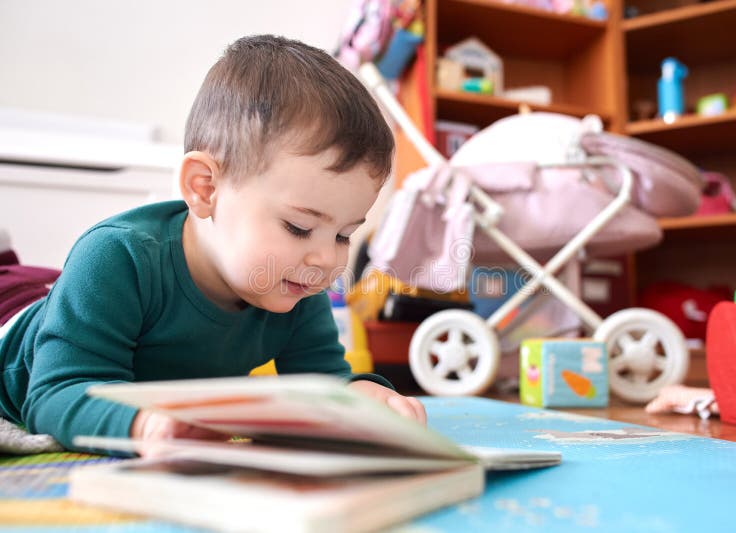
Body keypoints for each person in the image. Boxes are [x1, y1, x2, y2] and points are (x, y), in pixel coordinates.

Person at [0, 34, 426, 453]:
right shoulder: (117, 257)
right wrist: (143, 426)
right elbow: (55, 393)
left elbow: (326, 383)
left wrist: (365, 396)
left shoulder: (297, 282)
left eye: (343, 235)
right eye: (298, 227)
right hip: (16, 335)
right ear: (205, 189)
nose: (325, 258)